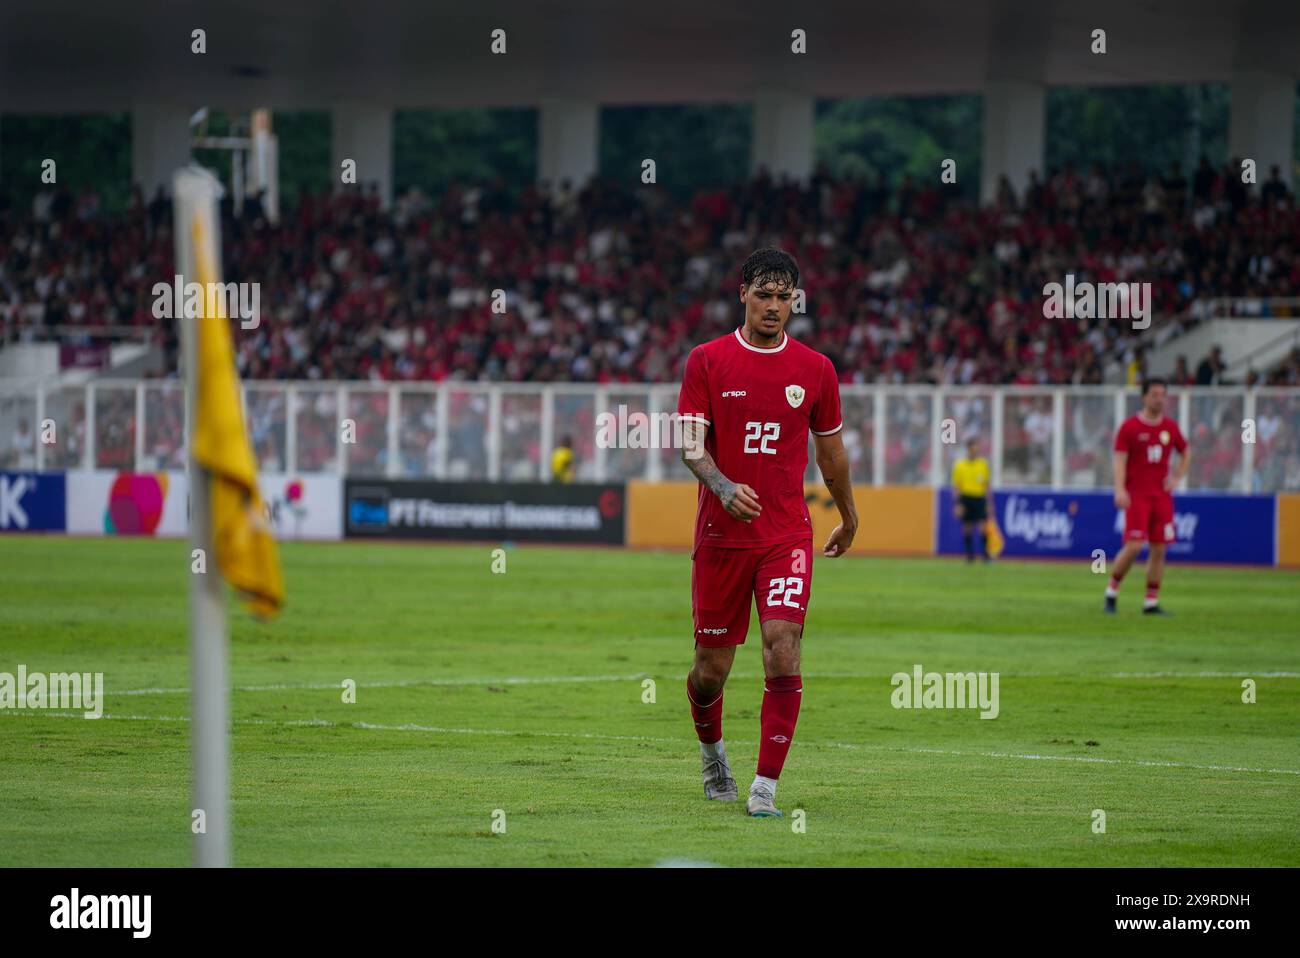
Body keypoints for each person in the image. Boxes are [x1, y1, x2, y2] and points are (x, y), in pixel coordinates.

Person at [676, 247, 858, 818]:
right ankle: (713, 757)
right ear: (743, 295)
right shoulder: (706, 360)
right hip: (722, 537)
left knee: (783, 650)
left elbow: (831, 456)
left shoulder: (816, 369)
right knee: (711, 671)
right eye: (764, 295)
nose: (774, 307)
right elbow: (689, 446)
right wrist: (725, 486)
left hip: (786, 538)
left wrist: (849, 516)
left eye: (784, 297)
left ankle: (764, 790)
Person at [1104, 379, 1191, 615]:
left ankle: (1150, 602)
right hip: (1137, 495)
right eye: (1154, 394)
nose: (1159, 398)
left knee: (1159, 549)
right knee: (1133, 545)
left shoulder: (1170, 428)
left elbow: (1186, 452)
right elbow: (1120, 459)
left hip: (1161, 497)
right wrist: (1120, 488)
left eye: (1163, 394)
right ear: (1144, 397)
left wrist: (1176, 477)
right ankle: (1111, 592)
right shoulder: (1130, 427)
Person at [951, 437, 992, 562]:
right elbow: (957, 486)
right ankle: (970, 555)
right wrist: (957, 503)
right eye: (974, 448)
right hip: (966, 497)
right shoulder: (960, 465)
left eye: (977, 448)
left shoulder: (983, 464)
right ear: (968, 449)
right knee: (967, 527)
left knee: (983, 527)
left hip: (979, 498)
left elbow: (986, 485)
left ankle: (985, 555)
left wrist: (989, 502)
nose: (976, 450)